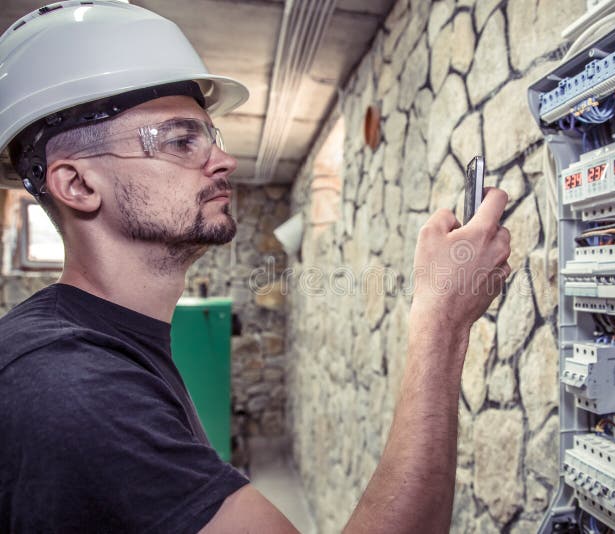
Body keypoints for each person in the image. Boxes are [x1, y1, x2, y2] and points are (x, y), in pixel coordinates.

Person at [0, 2, 511, 533]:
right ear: (78, 186)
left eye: (210, 136)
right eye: (179, 140)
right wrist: (442, 321)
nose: (224, 161)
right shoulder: (69, 385)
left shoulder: (101, 347)